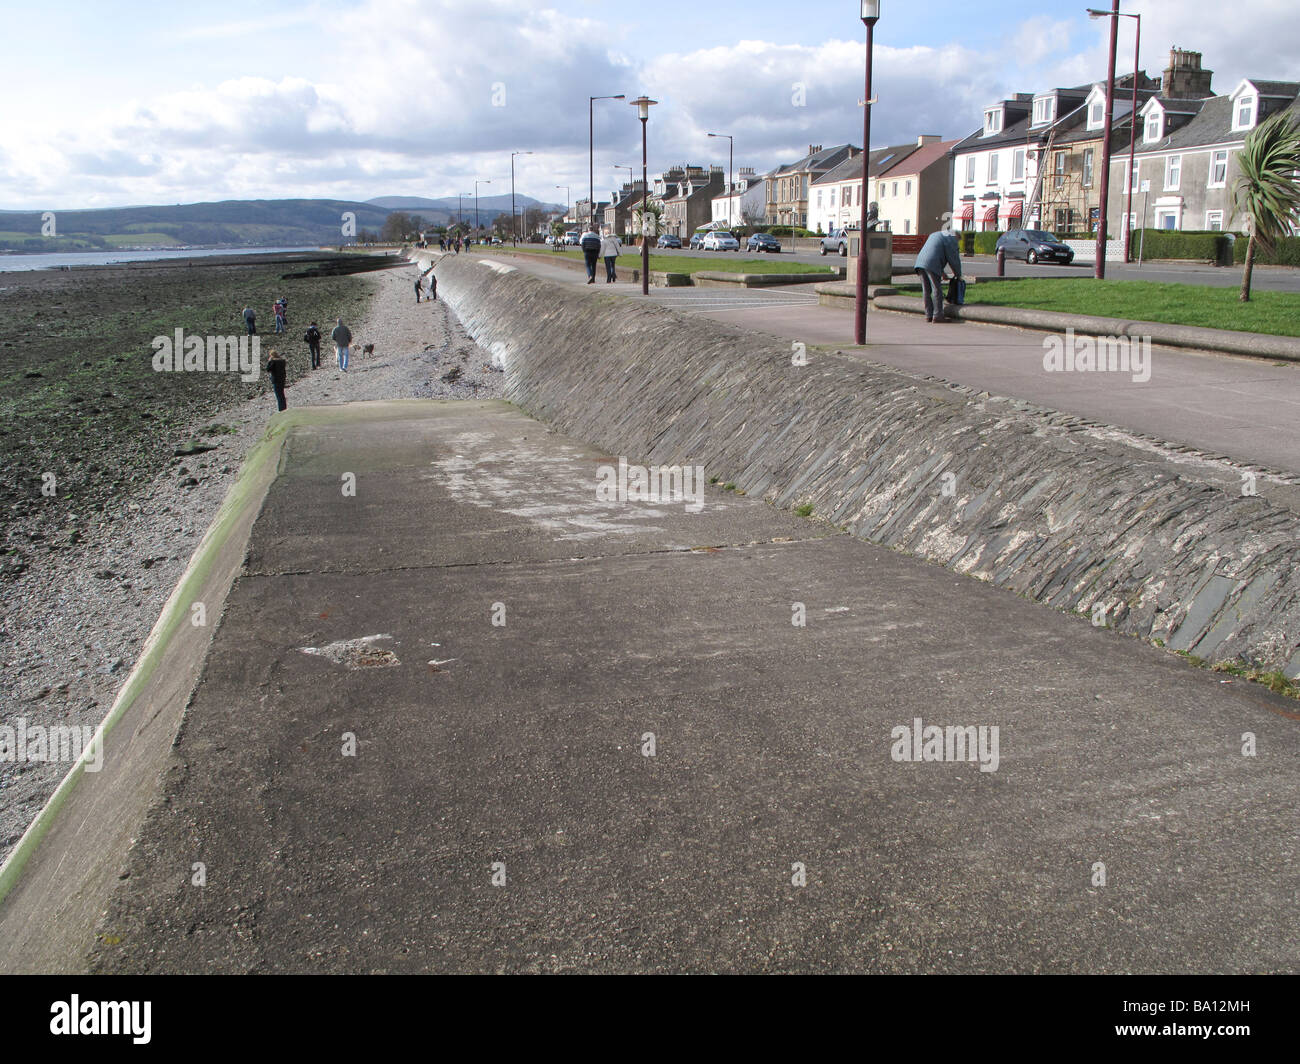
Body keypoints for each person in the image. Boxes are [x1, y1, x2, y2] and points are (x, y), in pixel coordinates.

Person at [913, 228, 962, 324]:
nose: (957, 242)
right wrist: (958, 274)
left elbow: (934, 252)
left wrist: (942, 273)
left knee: (926, 290)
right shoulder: (951, 239)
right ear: (956, 236)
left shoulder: (936, 234)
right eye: (958, 240)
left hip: (920, 262)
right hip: (932, 263)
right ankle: (938, 315)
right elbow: (954, 259)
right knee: (937, 289)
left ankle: (928, 315)